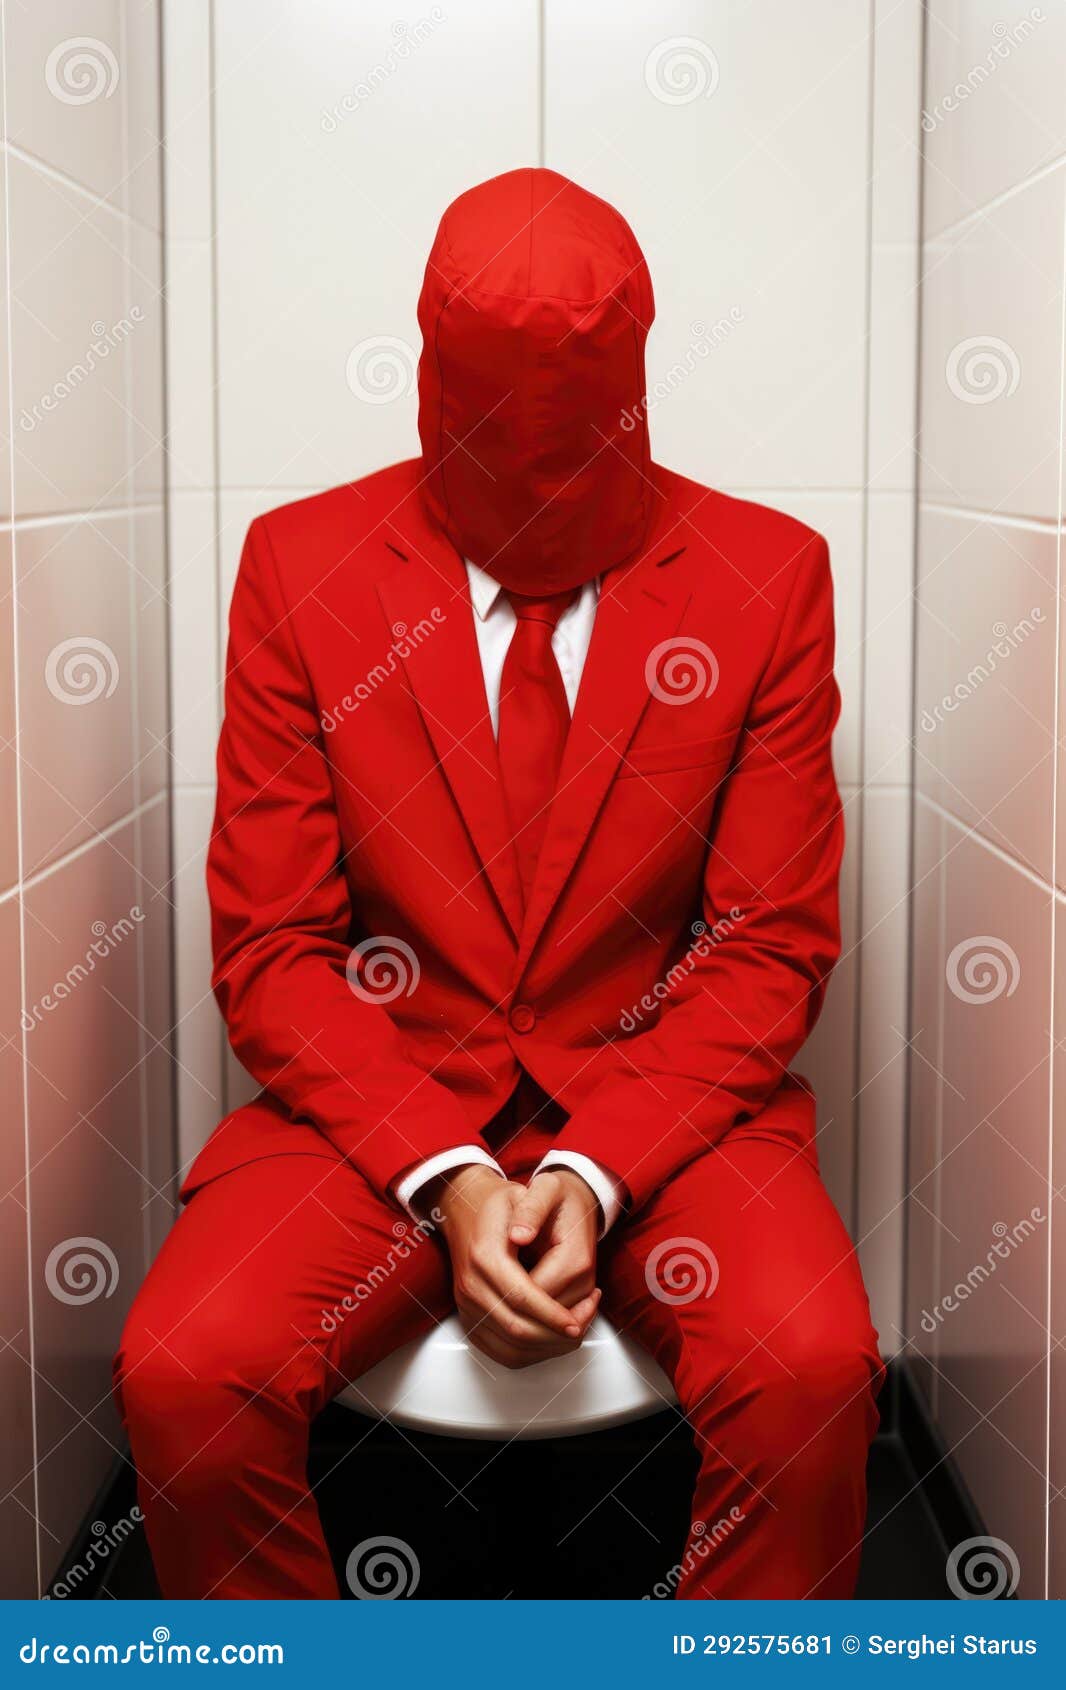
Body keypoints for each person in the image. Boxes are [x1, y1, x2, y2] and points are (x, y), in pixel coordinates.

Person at [114, 167, 882, 1600]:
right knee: (182, 1369)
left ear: (632, 381)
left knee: (812, 1372)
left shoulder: (765, 577)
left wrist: (593, 1165)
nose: (532, 473)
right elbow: (274, 943)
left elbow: (767, 944)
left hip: (667, 1094)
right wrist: (450, 1169)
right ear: (431, 376)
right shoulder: (304, 569)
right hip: (381, 1090)